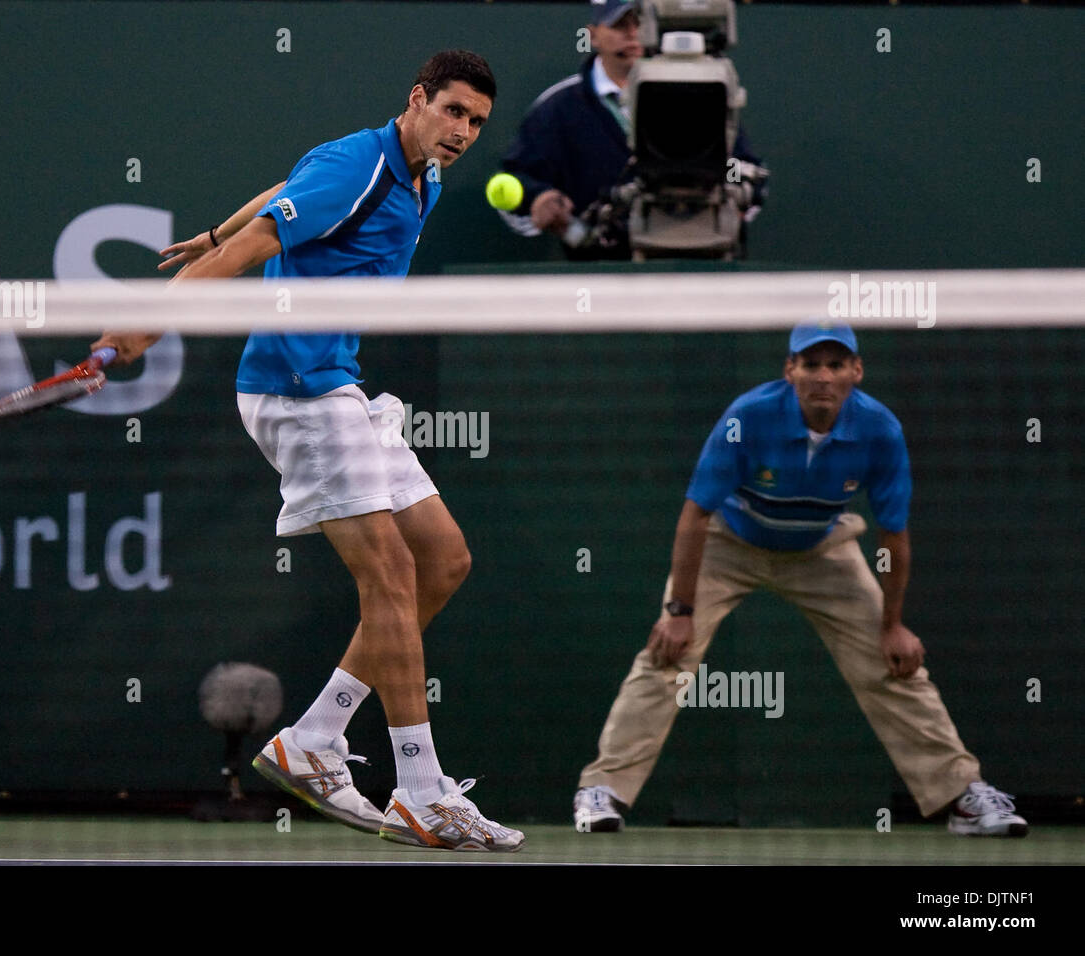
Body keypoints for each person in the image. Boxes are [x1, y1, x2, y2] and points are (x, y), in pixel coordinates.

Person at [93, 50, 524, 852]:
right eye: (453, 111)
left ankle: (316, 740)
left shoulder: (415, 171)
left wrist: (213, 228)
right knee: (390, 576)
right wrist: (151, 321)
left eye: (476, 122)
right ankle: (422, 790)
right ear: (417, 99)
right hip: (296, 392)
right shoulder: (358, 168)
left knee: (443, 560)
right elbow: (259, 243)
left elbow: (282, 196)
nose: (463, 131)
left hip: (339, 386)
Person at [572, 322, 1028, 838]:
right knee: (666, 656)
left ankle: (963, 797)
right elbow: (695, 515)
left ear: (856, 371)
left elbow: (893, 536)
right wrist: (680, 612)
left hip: (820, 549)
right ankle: (602, 790)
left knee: (892, 663)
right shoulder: (748, 416)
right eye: (811, 365)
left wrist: (892, 624)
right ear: (789, 370)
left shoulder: (881, 429)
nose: (823, 377)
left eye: (836, 365)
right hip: (730, 542)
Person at [499, 0, 764, 259]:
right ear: (593, 35)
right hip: (600, 271)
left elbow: (745, 171)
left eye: (640, 23)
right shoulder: (559, 107)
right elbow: (518, 179)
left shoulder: (700, 90)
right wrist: (539, 198)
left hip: (697, 260)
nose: (633, 34)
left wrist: (734, 200)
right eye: (620, 25)